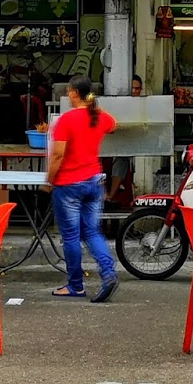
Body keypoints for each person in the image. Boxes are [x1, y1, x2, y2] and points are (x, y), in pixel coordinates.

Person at [47, 74, 118, 302]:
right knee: (92, 231)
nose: (67, 93)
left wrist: (49, 180)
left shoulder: (66, 120)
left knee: (71, 236)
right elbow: (113, 126)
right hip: (94, 181)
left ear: (74, 93)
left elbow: (57, 155)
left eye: (69, 90)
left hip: (69, 183)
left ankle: (75, 285)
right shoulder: (99, 116)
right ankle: (108, 273)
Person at [104, 76, 144, 205]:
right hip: (109, 141)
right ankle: (103, 193)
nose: (134, 91)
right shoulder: (116, 103)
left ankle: (111, 195)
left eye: (137, 88)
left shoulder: (143, 106)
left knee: (122, 159)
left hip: (129, 143)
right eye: (132, 88)